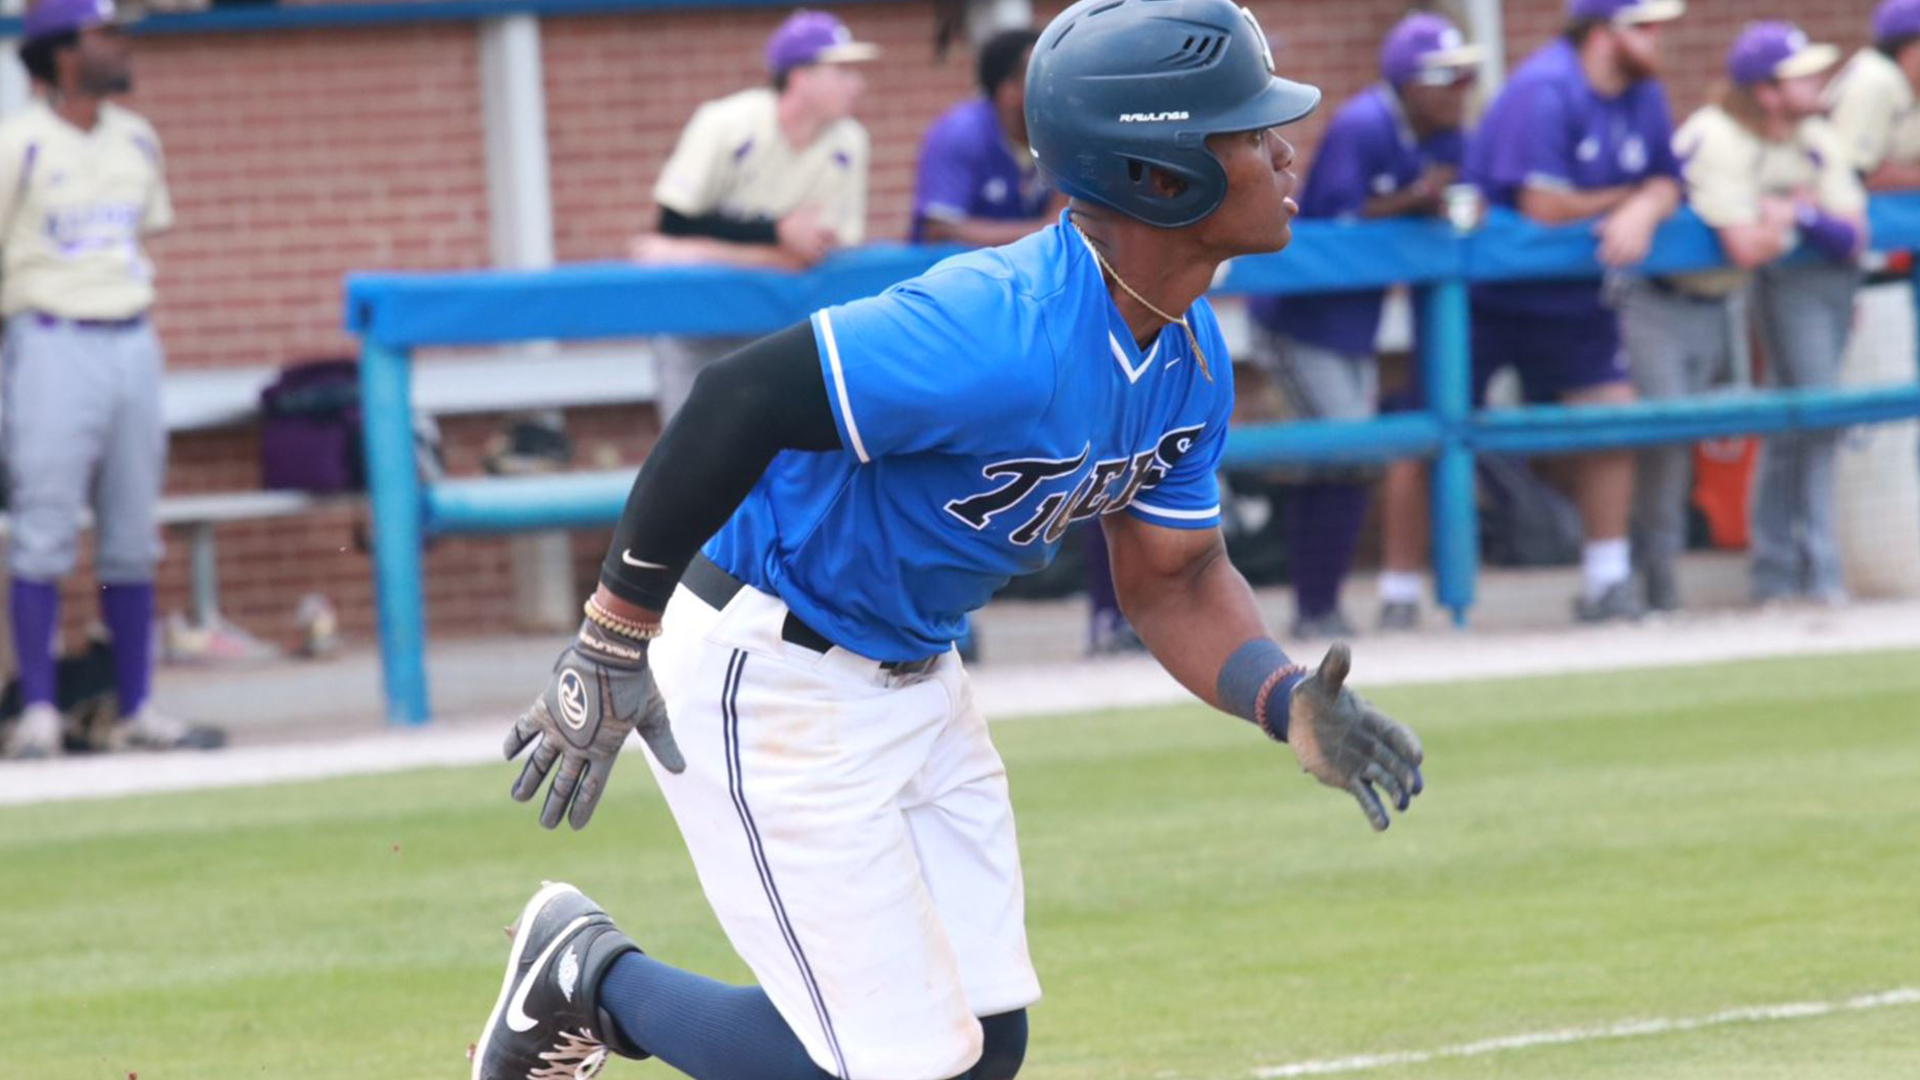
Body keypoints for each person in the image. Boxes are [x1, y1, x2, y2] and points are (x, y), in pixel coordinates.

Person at [468, 3, 1426, 1080]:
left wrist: (1279, 694)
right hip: (773, 665)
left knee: (982, 1043)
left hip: (916, 676)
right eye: (1249, 132)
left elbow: (1178, 577)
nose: (1285, 149)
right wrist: (611, 634)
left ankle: (588, 973)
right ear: (1163, 175)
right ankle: (590, 978)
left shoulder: (1187, 356)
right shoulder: (998, 323)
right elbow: (735, 399)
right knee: (910, 1072)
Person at [1245, 12, 1481, 637]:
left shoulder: (1443, 133)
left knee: (1345, 457)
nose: (1461, 93)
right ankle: (1314, 603)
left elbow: (1463, 198)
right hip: (1299, 319)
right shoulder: (1364, 123)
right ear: (1411, 82)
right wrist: (1416, 198)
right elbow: (1338, 222)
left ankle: (1319, 604)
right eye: (1447, 80)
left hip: (1356, 325)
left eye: (1465, 79)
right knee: (1346, 447)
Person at [0, 0, 194, 759]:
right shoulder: (18, 144)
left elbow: (142, 234)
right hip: (48, 338)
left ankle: (136, 705)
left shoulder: (137, 140)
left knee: (130, 535)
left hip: (130, 339)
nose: (121, 45)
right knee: (44, 529)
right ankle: (41, 710)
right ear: (63, 52)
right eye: (104, 34)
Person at [1626, 25, 1863, 612]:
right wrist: (1796, 220)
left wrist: (1794, 218)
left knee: (1779, 422)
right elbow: (1745, 246)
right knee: (1667, 443)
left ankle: (1774, 576)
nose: (1815, 82)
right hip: (1655, 297)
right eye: (1799, 75)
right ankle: (1654, 594)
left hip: (1718, 302)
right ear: (1766, 91)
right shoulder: (1716, 133)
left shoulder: (1808, 133)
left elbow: (1851, 235)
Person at [1464, 0, 1685, 622]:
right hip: (1483, 294)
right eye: (1643, 27)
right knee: (1428, 431)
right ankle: (1407, 592)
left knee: (1611, 418)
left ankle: (1607, 580)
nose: (1658, 38)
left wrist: (1646, 205)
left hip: (1573, 294)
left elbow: (1671, 178)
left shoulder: (1644, 93)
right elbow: (1543, 205)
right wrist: (1635, 195)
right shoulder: (1545, 86)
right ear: (1601, 34)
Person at [633, 9, 876, 422]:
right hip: (697, 319)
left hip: (778, 323)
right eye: (842, 71)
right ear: (800, 77)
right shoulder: (726, 123)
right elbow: (672, 223)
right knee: (692, 453)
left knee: (783, 461)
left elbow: (812, 254)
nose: (858, 84)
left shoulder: (849, 140)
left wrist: (695, 250)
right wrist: (776, 234)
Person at [911, 27, 1057, 245]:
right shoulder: (960, 133)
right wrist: (1043, 232)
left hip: (1031, 271)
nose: (1053, 87)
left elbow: (1070, 216)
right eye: (1042, 76)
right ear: (1008, 91)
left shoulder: (1060, 131)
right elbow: (939, 231)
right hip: (961, 273)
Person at [1826, 0, 1920, 190]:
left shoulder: (1905, 77)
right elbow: (1856, 177)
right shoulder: (1875, 82)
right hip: (1860, 208)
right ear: (1907, 47)